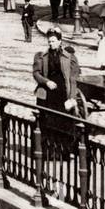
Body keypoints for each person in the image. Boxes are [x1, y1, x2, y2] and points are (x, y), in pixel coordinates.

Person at [32, 28, 83, 179]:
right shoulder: (42, 56)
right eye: (49, 41)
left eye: (54, 41)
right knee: (47, 120)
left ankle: (65, 152)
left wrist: (72, 98)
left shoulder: (69, 57)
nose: (51, 43)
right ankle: (49, 152)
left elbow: (74, 79)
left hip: (62, 93)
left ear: (60, 41)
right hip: (48, 94)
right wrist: (46, 82)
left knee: (64, 121)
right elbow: (36, 73)